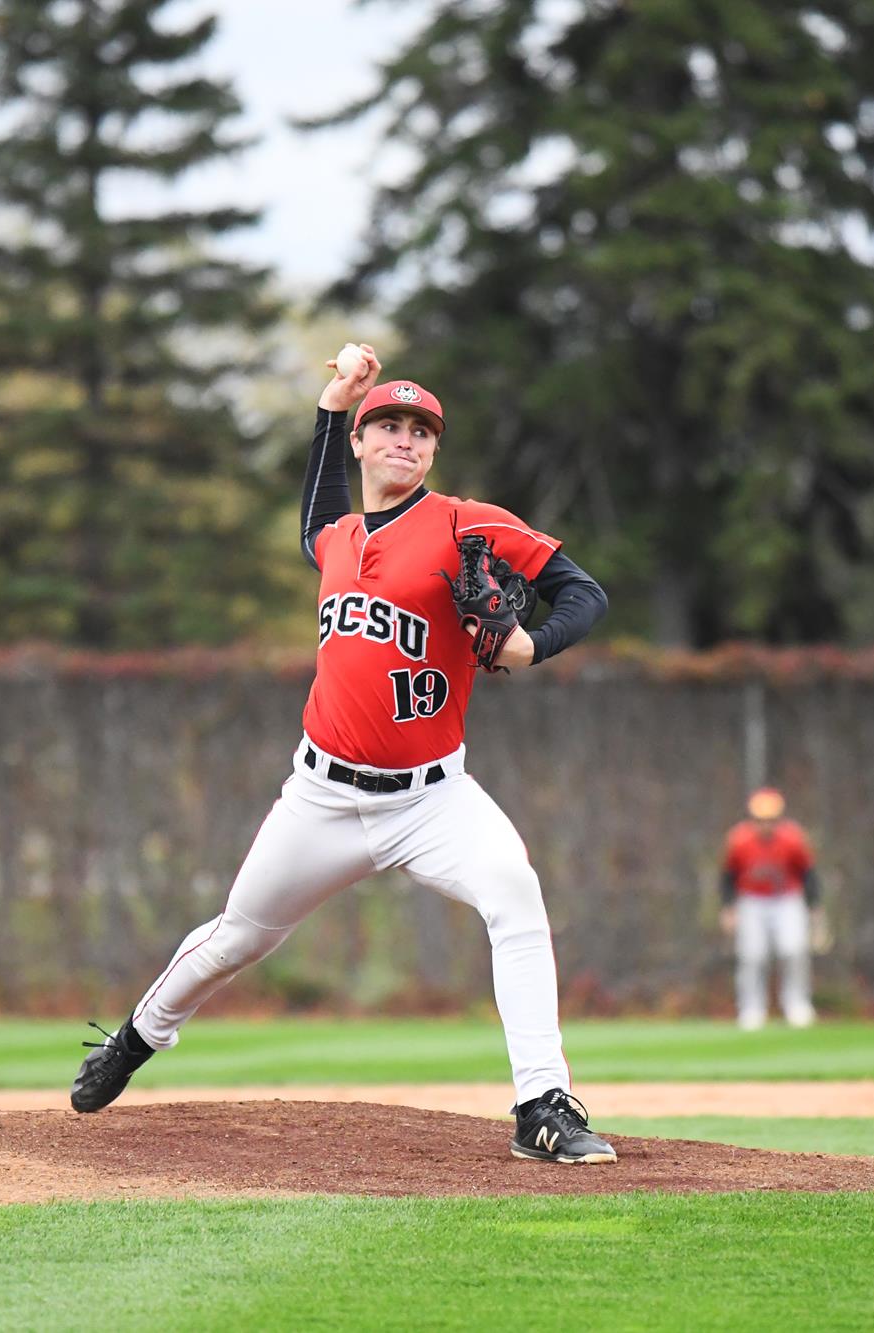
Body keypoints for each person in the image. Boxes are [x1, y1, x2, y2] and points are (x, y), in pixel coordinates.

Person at [70, 342, 618, 1164]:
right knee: (237, 938)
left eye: (420, 430)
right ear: (363, 443)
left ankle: (542, 1102)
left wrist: (527, 647)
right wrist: (331, 406)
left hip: (434, 797)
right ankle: (137, 1038)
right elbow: (314, 515)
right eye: (388, 425)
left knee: (515, 895)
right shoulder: (338, 540)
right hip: (320, 798)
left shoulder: (467, 522)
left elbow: (585, 591)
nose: (405, 439)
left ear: (434, 448)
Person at [719, 786, 819, 1030]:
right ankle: (751, 1008)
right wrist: (728, 908)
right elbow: (728, 876)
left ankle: (797, 1004)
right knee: (752, 955)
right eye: (761, 820)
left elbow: (808, 874)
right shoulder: (739, 839)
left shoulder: (793, 839)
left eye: (771, 820)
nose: (766, 825)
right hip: (752, 900)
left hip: (787, 898)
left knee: (793, 950)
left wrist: (814, 908)